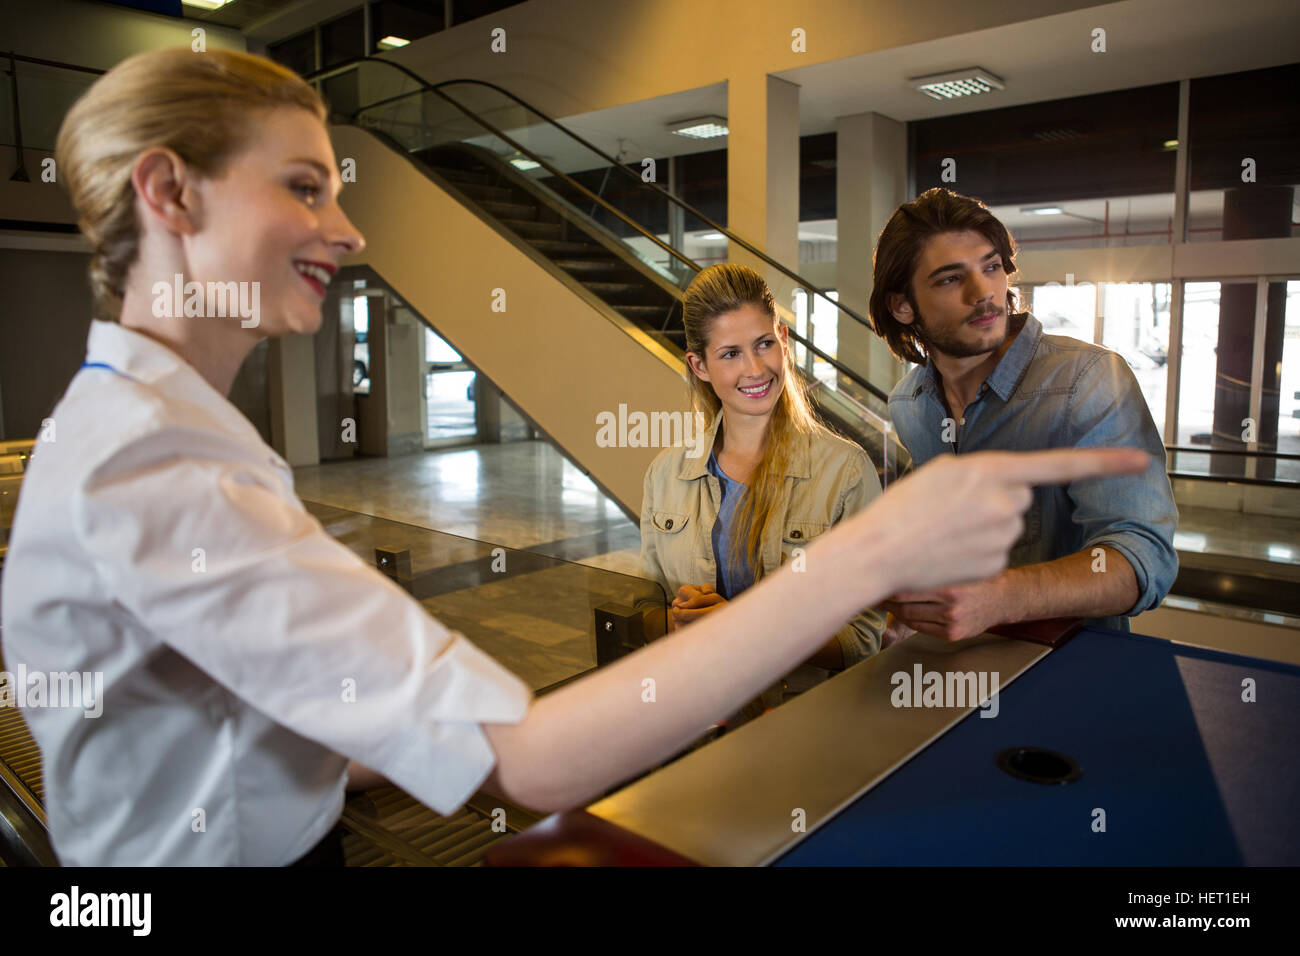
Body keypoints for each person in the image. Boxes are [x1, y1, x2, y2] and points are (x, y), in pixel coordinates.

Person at [0, 49, 1148, 866]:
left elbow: (275, 728)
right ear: (167, 193)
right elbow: (533, 762)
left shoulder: (157, 433)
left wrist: (412, 729)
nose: (348, 232)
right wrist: (870, 558)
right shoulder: (159, 469)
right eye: (304, 186)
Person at [868, 188, 1179, 644]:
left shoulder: (1087, 380)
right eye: (951, 279)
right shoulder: (910, 402)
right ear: (902, 305)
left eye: (991, 267)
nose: (984, 294)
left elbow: (1143, 557)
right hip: (955, 673)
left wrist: (1001, 597)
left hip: (1071, 676)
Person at [638, 264, 886, 720]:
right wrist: (676, 622)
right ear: (699, 366)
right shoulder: (664, 474)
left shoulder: (845, 472)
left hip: (800, 726)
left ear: (784, 340)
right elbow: (644, 606)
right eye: (730, 354)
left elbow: (862, 638)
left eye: (764, 344)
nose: (755, 369)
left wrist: (742, 631)